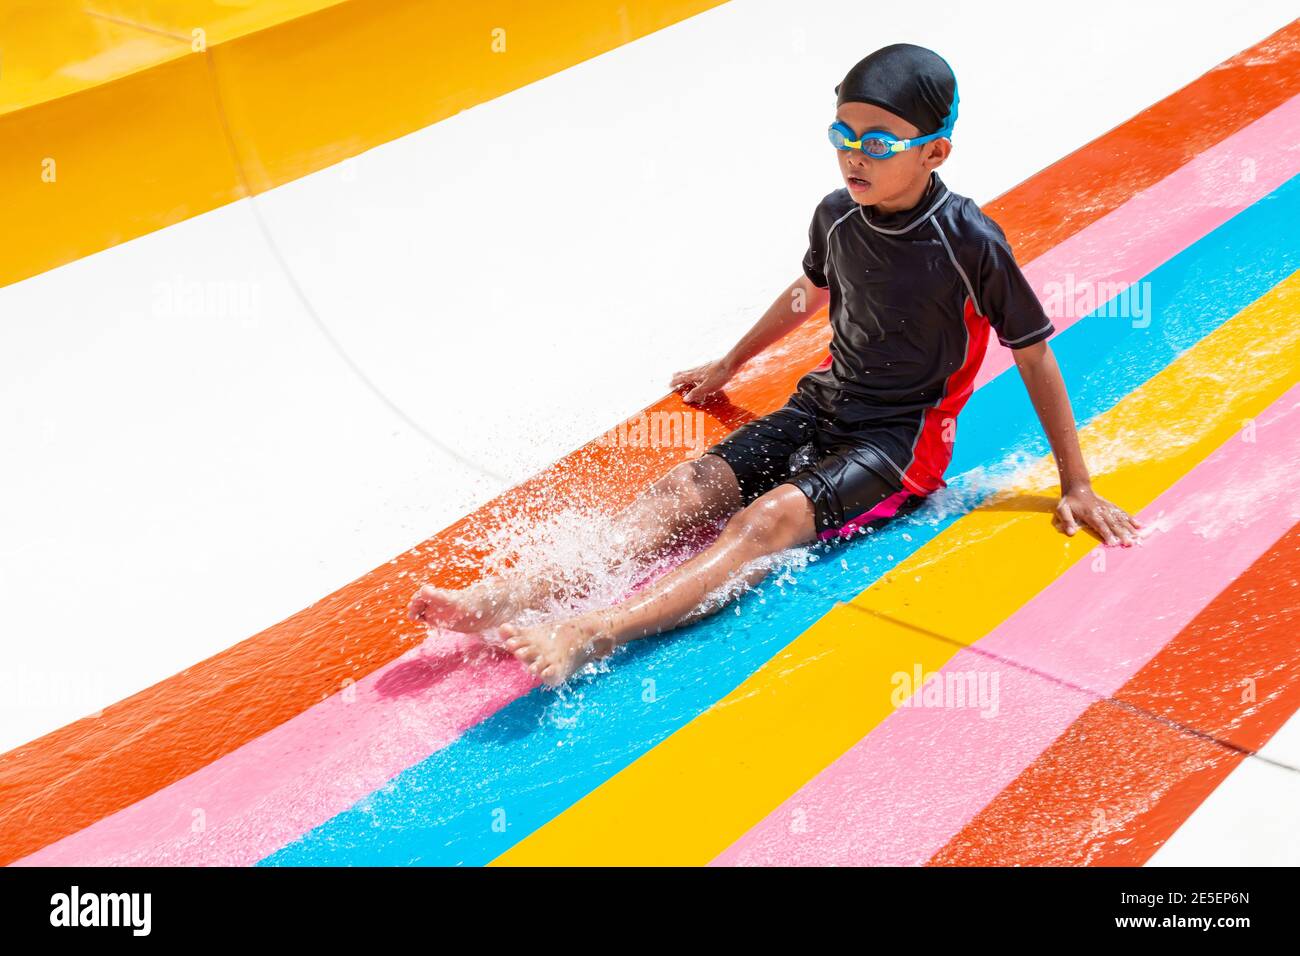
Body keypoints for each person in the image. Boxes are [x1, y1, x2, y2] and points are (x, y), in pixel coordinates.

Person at [407, 43, 1141, 686]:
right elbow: (812, 289)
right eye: (843, 135)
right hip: (820, 406)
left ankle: (588, 632)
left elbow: (1034, 351)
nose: (855, 155)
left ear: (935, 152)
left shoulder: (969, 240)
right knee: (683, 489)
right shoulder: (837, 212)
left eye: (879, 142)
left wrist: (1076, 484)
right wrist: (728, 363)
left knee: (765, 523)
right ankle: (504, 598)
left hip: (897, 445)